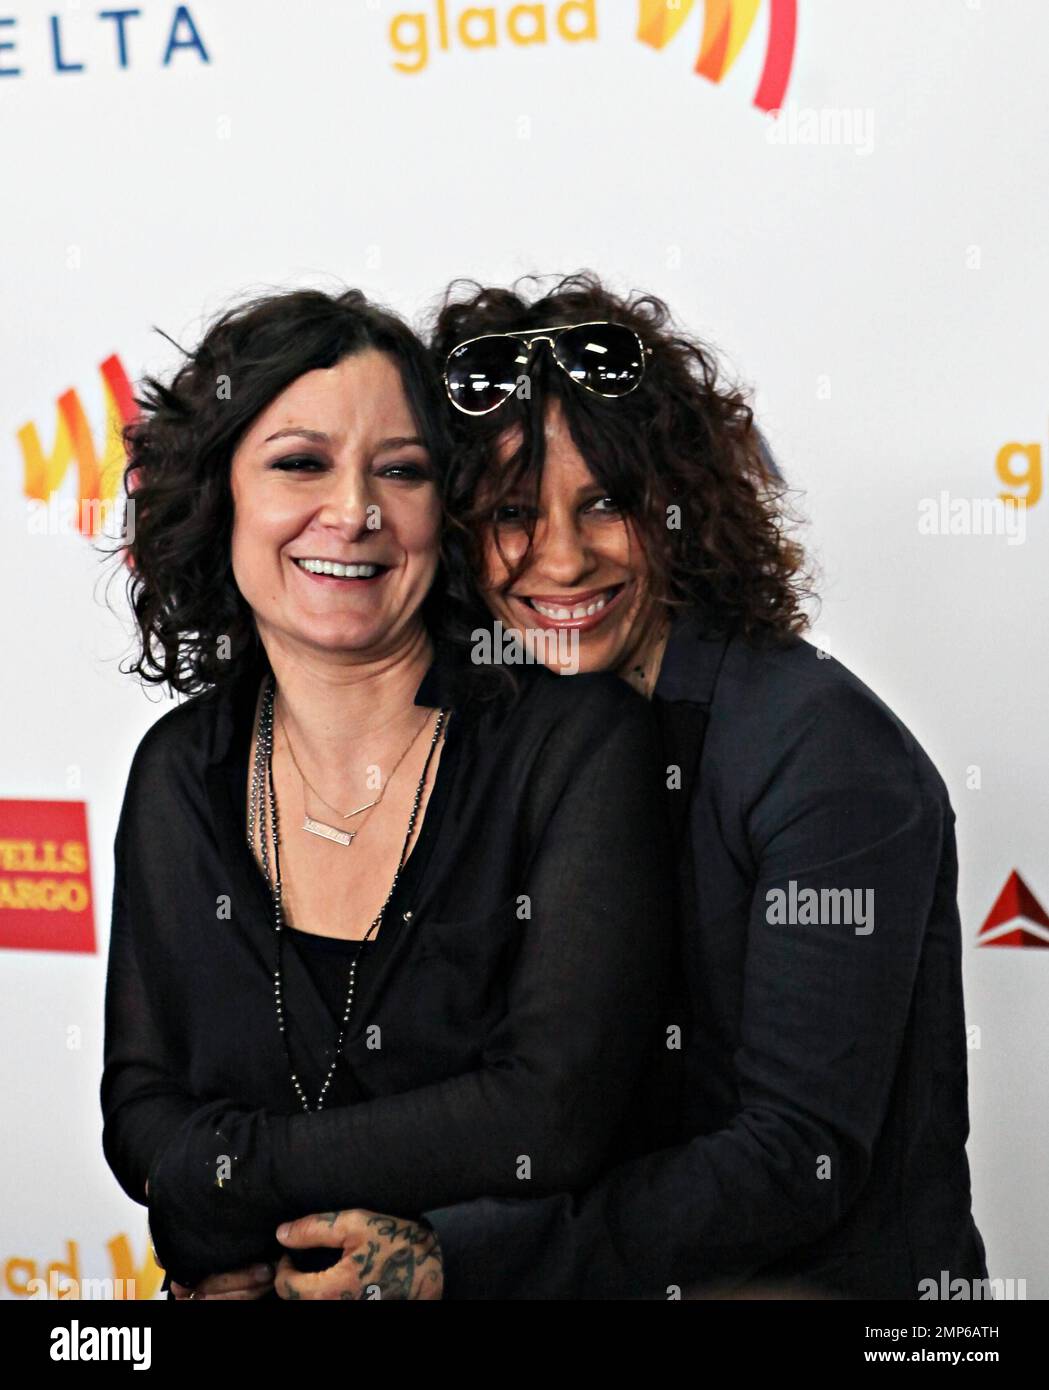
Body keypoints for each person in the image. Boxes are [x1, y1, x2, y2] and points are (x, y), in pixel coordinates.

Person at [249, 272, 987, 1301]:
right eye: (511, 512)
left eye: (606, 503)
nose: (559, 557)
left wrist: (452, 1258)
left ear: (680, 507)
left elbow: (794, 1161)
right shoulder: (501, 729)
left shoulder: (821, 752)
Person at [99, 285, 676, 1296]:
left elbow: (547, 1117)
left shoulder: (573, 746)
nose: (355, 512)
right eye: (299, 463)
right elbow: (141, 1106)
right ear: (217, 492)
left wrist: (227, 1211)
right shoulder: (178, 767)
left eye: (400, 471)